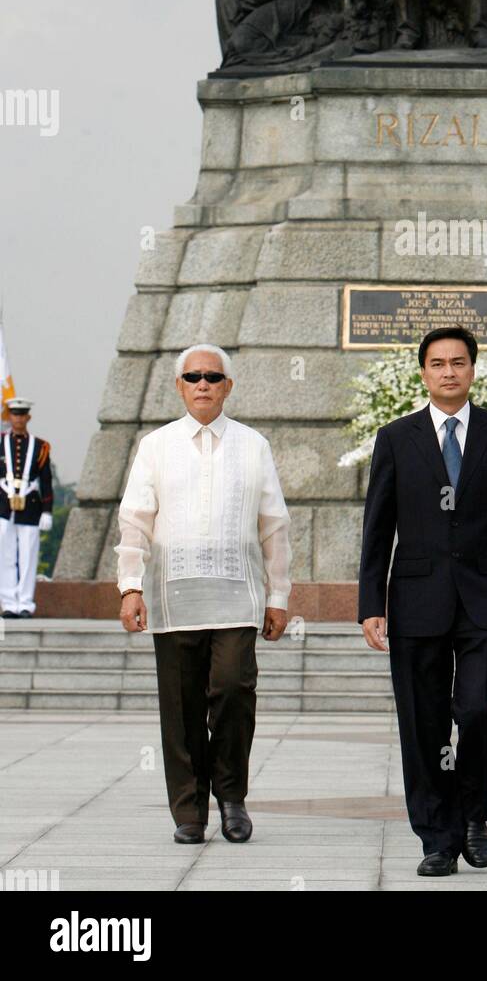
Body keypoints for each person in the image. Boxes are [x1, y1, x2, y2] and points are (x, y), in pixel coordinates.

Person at [358, 326, 487, 876]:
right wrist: (372, 604)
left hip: (484, 596)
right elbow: (377, 527)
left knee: (483, 711)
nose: (448, 372)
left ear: (472, 369)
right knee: (423, 724)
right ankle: (437, 838)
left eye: (458, 362)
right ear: (423, 373)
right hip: (415, 599)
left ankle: (472, 811)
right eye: (437, 363)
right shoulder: (397, 438)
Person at [115, 345, 291, 844]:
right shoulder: (156, 445)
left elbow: (274, 523)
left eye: (213, 376)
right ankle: (189, 811)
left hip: (237, 596)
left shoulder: (253, 445)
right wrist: (130, 586)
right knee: (181, 704)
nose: (203, 384)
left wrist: (278, 594)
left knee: (234, 690)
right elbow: (135, 519)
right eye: (192, 376)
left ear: (228, 386)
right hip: (173, 600)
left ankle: (231, 796)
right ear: (179, 386)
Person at [0, 397, 53, 619]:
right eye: (14, 414)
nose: (18, 419)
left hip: (30, 505)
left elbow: (46, 480)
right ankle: (9, 603)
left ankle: (25, 603)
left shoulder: (40, 446)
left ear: (28, 418)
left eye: (22, 415)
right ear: (9, 417)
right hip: (3, 504)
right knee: (5, 555)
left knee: (28, 556)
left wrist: (47, 510)